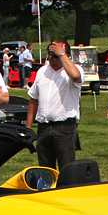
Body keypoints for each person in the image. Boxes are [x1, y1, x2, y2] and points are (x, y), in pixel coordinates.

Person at [26, 41, 83, 169]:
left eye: (55, 54)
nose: (51, 57)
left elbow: (75, 76)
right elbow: (33, 99)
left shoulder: (75, 70)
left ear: (65, 55)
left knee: (66, 167)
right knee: (45, 169)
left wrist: (61, 54)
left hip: (64, 127)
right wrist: (29, 126)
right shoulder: (42, 71)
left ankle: (65, 189)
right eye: (49, 54)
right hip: (44, 127)